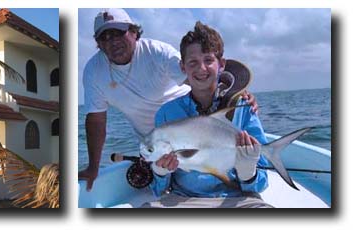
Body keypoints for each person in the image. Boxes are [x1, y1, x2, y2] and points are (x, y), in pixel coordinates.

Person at [78, 9, 256, 190]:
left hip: (188, 121)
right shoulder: (93, 71)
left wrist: (237, 96)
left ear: (133, 32)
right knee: (169, 179)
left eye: (118, 32)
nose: (113, 40)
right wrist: (93, 168)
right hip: (152, 143)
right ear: (98, 44)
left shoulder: (157, 52)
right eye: (105, 36)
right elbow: (96, 120)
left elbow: (198, 74)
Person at [142, 21, 272, 208]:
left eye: (208, 60)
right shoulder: (166, 113)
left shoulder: (243, 108)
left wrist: (248, 172)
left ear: (221, 64)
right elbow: (159, 189)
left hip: (236, 198)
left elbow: (262, 181)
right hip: (183, 200)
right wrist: (160, 172)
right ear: (182, 67)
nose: (201, 69)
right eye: (193, 62)